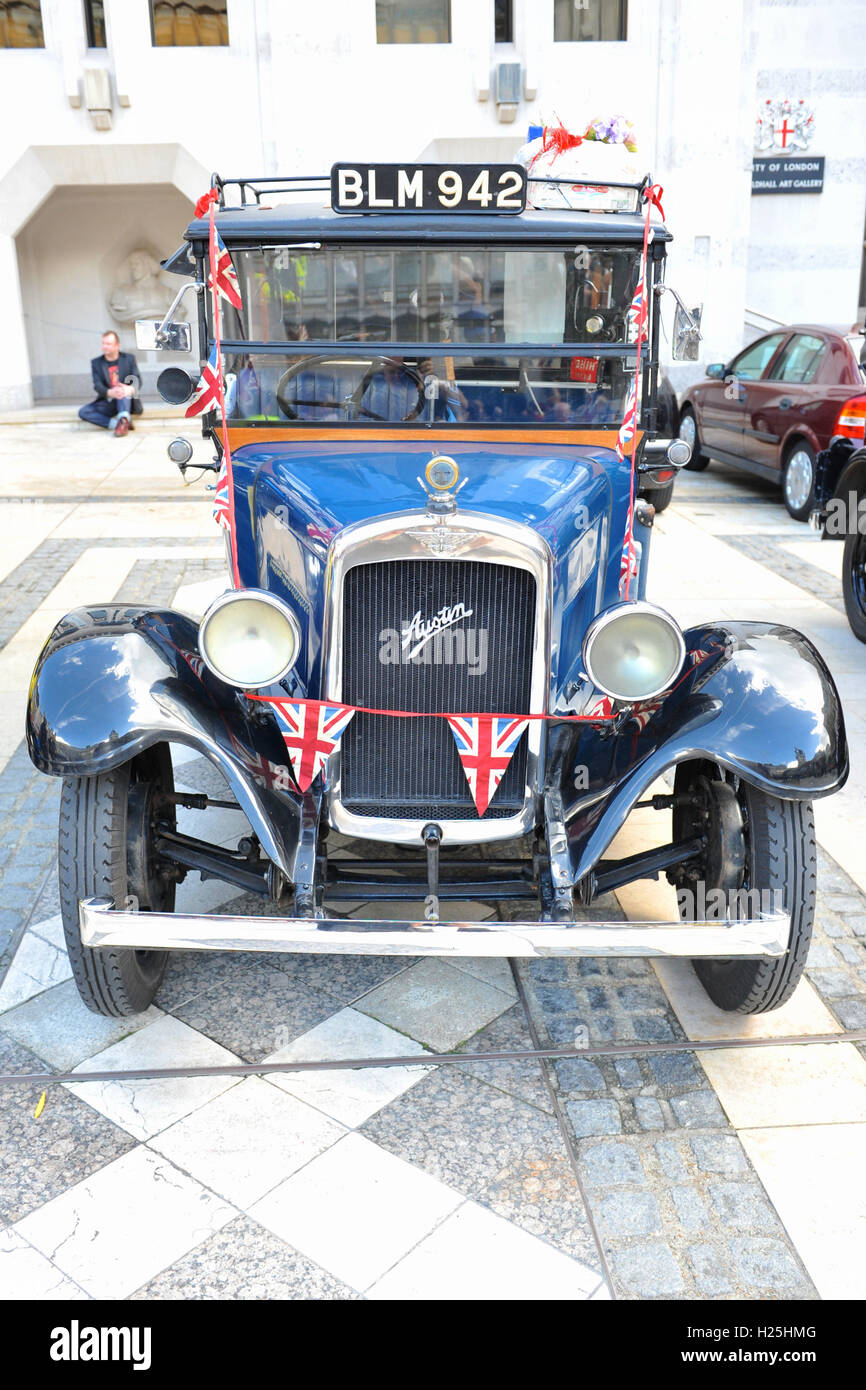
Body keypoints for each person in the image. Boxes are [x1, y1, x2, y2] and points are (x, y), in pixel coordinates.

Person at [79, 331, 143, 437]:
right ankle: (119, 424)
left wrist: (129, 389)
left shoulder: (128, 359)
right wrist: (110, 392)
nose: (104, 346)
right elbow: (97, 385)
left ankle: (123, 420)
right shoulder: (96, 363)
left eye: (108, 344)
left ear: (117, 345)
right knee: (83, 412)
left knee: (122, 391)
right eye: (103, 343)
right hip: (109, 401)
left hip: (127, 401)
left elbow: (137, 379)